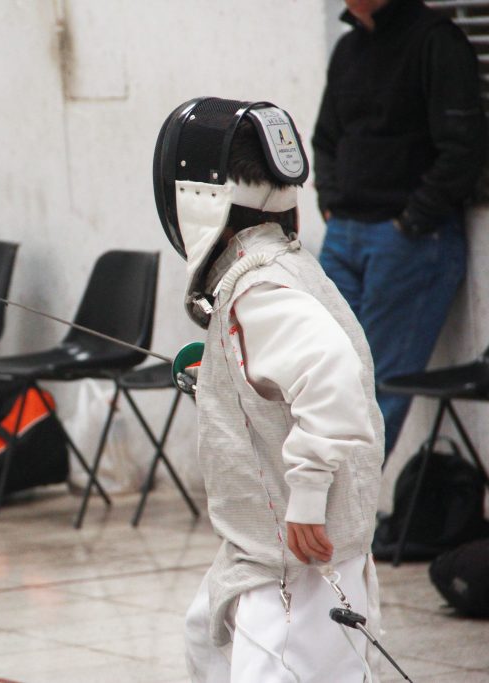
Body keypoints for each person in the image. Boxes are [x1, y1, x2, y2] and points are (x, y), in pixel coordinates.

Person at [153, 98, 384, 681]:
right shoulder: (279, 264)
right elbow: (287, 371)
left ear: (195, 197)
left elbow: (333, 376)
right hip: (274, 547)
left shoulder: (258, 288)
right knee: (204, 636)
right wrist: (226, 382)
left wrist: (307, 497)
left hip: (297, 556)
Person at [313, 0, 487, 458]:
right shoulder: (349, 48)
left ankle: (341, 522)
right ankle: (319, 515)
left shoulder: (436, 40)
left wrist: (410, 221)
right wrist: (330, 204)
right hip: (343, 236)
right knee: (321, 381)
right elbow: (325, 139)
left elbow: (463, 147)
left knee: (373, 394)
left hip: (407, 243)